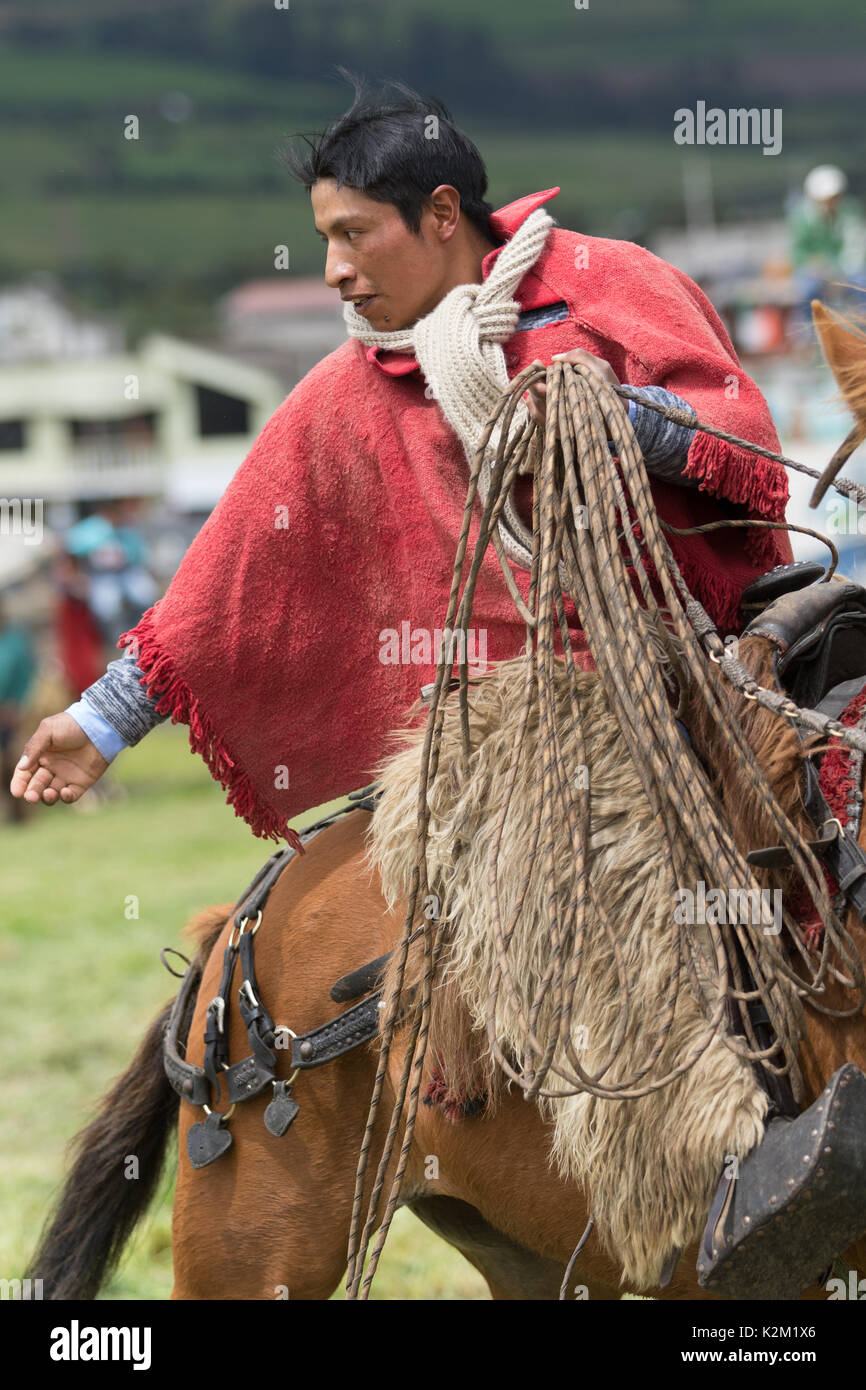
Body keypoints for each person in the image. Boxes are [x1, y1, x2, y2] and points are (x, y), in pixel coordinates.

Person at [10, 76, 854, 1295]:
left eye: (354, 235)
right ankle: (698, 1187)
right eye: (322, 244)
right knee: (603, 904)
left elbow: (737, 440)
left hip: (712, 670)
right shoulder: (340, 402)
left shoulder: (609, 286)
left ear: (441, 212)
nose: (336, 271)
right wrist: (97, 723)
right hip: (507, 741)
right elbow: (223, 578)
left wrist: (624, 422)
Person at [788, 164, 866, 331]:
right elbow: (800, 253)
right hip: (816, 272)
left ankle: (861, 328)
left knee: (861, 283)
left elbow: (855, 248)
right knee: (807, 289)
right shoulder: (803, 217)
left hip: (847, 270)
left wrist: (839, 275)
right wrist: (820, 268)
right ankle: (807, 333)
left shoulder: (850, 212)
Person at [0, 599, 37, 823]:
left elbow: (29, 677)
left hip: (14, 715)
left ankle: (22, 815)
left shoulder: (16, 641)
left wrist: (17, 705)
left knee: (16, 761)